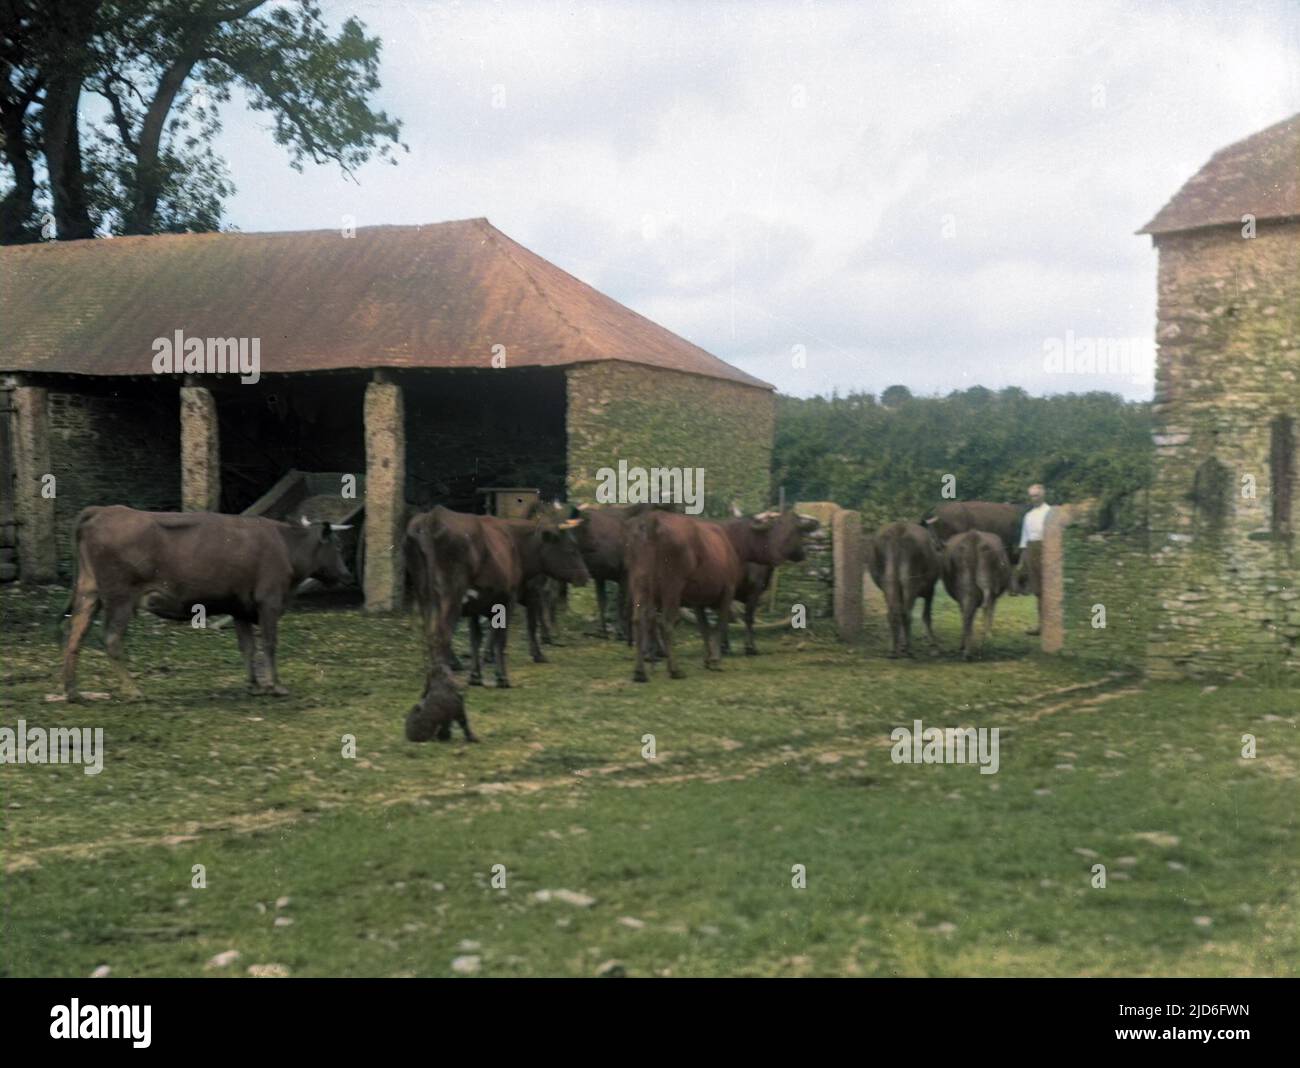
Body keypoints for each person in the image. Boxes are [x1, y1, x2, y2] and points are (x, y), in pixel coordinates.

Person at [1018, 484, 1051, 636]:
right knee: (1038, 591)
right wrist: (1023, 560)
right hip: (1032, 551)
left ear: (1043, 495)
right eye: (1031, 496)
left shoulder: (1050, 512)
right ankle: (1041, 625)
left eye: (1036, 495)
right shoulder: (1028, 516)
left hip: (1048, 550)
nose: (1033, 498)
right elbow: (1025, 540)